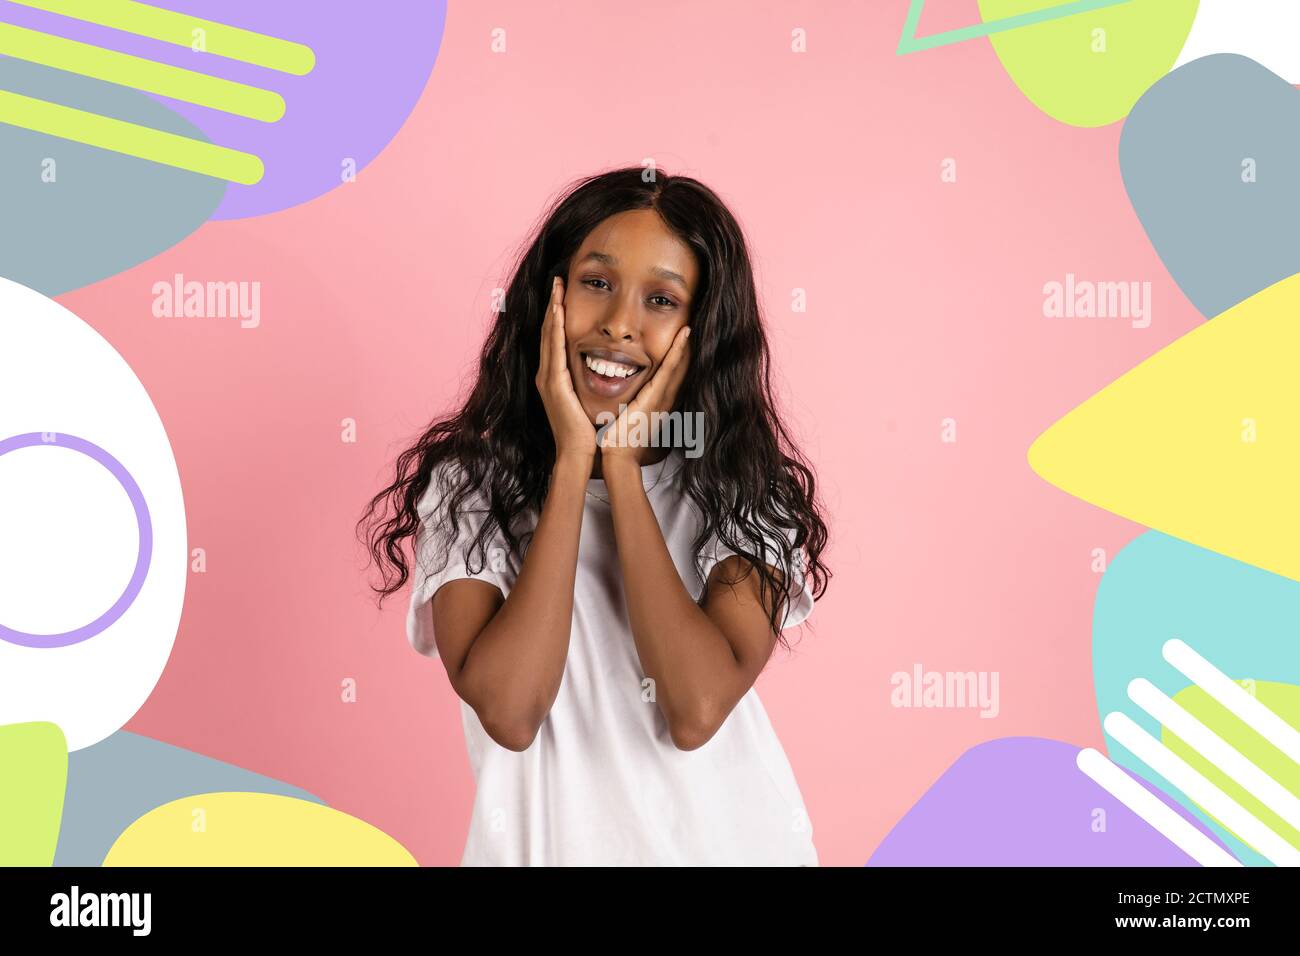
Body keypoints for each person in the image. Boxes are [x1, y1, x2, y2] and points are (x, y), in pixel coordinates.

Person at [359, 166, 831, 865]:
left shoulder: (740, 491)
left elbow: (696, 709)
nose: (618, 323)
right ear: (550, 294)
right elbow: (512, 712)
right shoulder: (470, 488)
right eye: (597, 283)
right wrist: (575, 461)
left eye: (661, 299)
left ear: (703, 331)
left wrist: (623, 473)